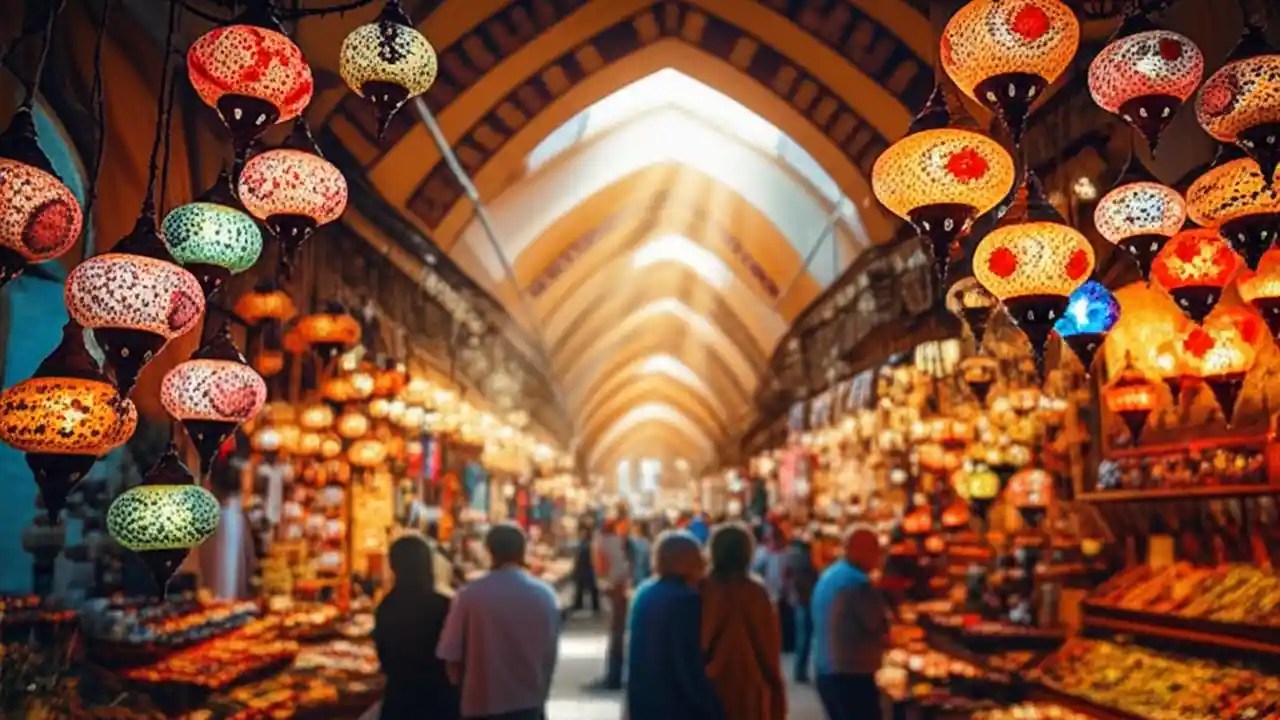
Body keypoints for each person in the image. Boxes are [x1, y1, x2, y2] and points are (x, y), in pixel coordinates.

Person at [437, 523, 560, 720]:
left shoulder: (470, 595)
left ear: (489, 552)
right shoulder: (545, 595)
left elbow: (451, 656)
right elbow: (550, 652)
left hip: (481, 704)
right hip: (529, 703)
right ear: (523, 551)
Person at [626, 530, 724, 720]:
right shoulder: (685, 601)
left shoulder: (645, 593)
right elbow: (688, 667)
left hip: (645, 704)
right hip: (675, 707)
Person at [700, 523, 786, 720]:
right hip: (748, 690)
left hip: (707, 691)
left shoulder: (701, 590)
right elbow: (769, 651)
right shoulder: (756, 593)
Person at [374, 534, 458, 720]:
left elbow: (384, 658)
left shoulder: (387, 606)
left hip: (401, 702)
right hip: (441, 702)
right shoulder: (444, 605)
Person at [811, 526, 890, 720]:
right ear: (859, 550)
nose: (879, 557)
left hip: (827, 670)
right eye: (875, 550)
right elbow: (876, 625)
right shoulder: (858, 583)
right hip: (851, 674)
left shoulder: (830, 575)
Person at [591, 519, 631, 689]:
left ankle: (613, 676)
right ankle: (615, 674)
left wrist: (606, 583)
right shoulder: (618, 542)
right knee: (617, 634)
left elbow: (602, 566)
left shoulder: (603, 542)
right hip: (618, 588)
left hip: (613, 588)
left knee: (615, 634)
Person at [785, 528, 819, 683]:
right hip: (807, 601)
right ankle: (801, 671)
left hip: (801, 600)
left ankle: (800, 670)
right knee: (806, 637)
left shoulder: (793, 559)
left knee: (803, 637)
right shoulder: (806, 561)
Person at [571, 525, 600, 615]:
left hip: (585, 568)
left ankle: (580, 605)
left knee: (584, 587)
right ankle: (594, 606)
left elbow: (580, 558)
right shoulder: (588, 543)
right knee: (587, 588)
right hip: (586, 568)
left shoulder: (586, 544)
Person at [630, 521, 653, 586]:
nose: (634, 528)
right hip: (638, 571)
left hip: (641, 571)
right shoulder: (634, 540)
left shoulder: (644, 541)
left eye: (636, 526)